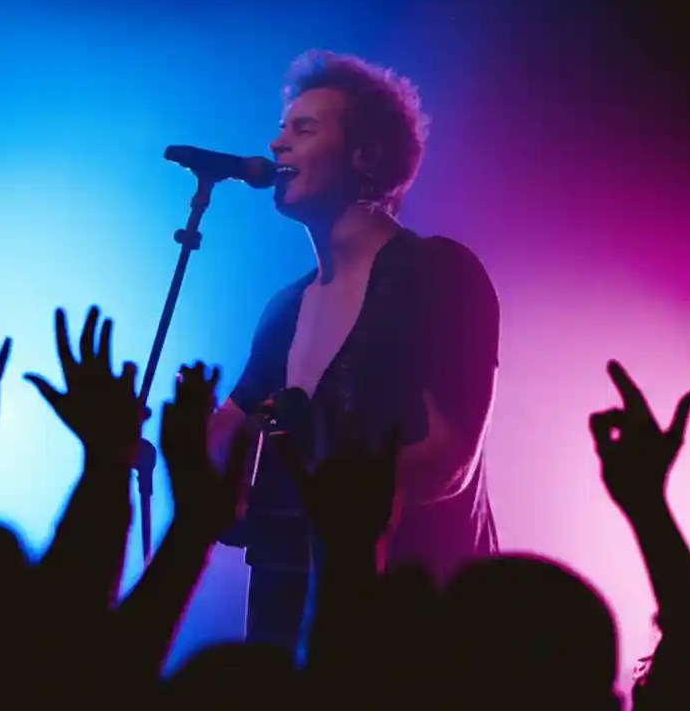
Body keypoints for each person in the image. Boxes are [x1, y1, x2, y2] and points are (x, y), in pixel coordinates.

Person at [208, 50, 500, 653]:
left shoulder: (437, 273)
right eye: (282, 128)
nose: (276, 144)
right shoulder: (284, 308)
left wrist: (302, 499)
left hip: (411, 621)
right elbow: (226, 429)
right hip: (290, 617)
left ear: (365, 155)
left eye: (303, 129)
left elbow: (451, 459)